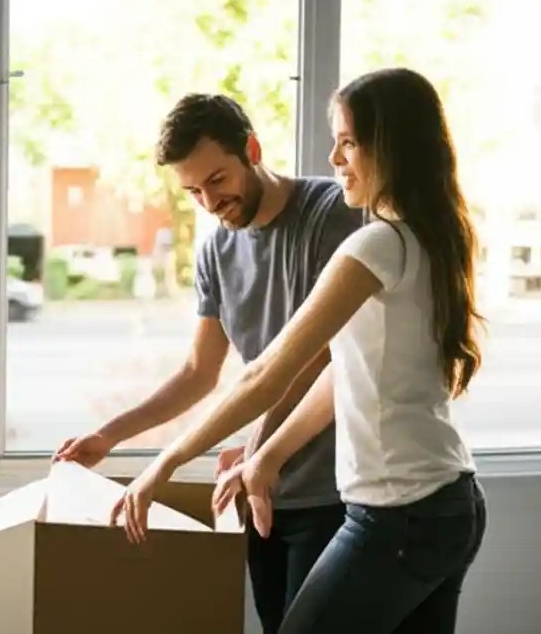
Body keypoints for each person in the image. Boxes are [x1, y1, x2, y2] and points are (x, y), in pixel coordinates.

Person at [111, 67, 489, 633]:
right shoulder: (425, 237)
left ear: (390, 147)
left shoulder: (375, 244)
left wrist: (166, 461)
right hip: (447, 504)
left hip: (399, 515)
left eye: (348, 142)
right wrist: (264, 457)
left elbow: (266, 374)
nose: (335, 159)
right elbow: (344, 375)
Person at [53, 92, 362, 632]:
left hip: (336, 491)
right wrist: (110, 436)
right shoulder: (216, 252)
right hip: (262, 493)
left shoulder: (331, 215)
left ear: (252, 149)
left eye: (217, 180)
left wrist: (254, 448)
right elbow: (200, 372)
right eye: (193, 190)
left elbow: (314, 361)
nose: (209, 201)